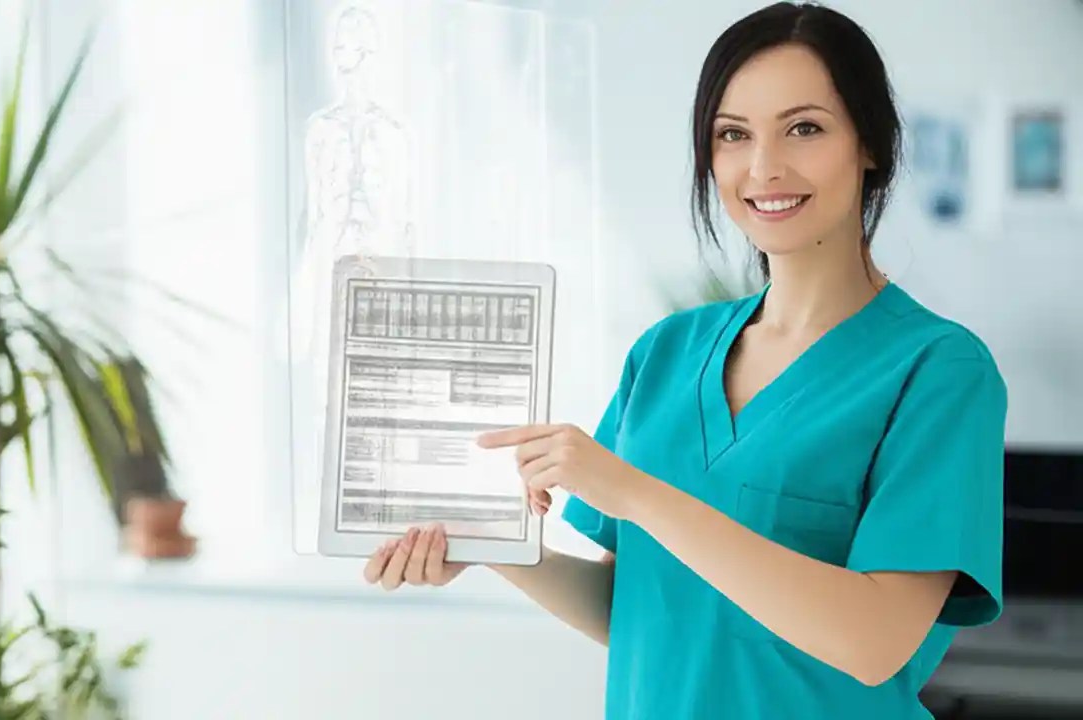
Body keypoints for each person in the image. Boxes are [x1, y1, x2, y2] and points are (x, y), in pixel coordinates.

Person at [362, 3, 1007, 718]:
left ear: (870, 145)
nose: (764, 167)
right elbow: (637, 608)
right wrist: (496, 547)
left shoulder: (939, 371)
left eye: (804, 128)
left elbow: (875, 641)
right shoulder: (666, 352)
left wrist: (635, 493)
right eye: (733, 135)